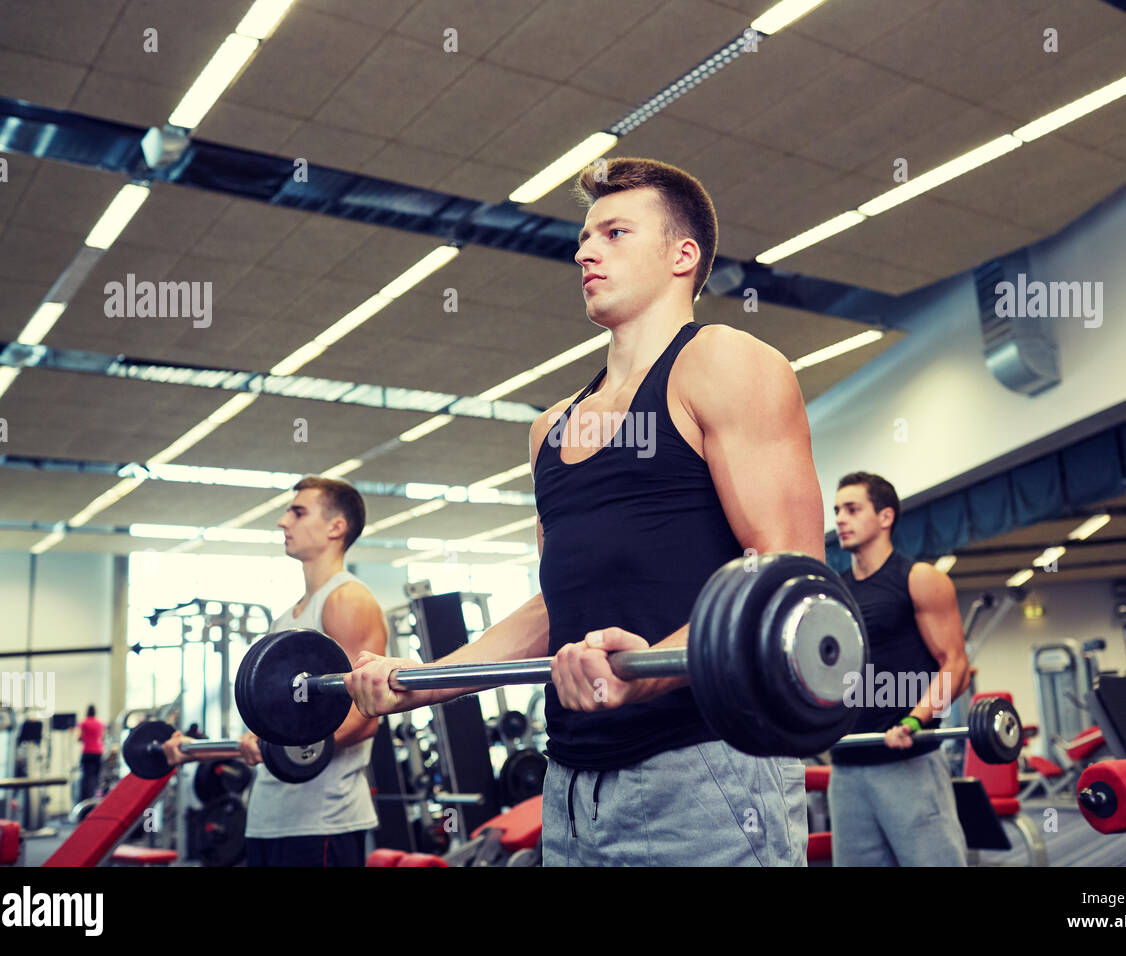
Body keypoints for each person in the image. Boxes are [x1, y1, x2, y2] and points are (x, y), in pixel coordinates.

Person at [345, 157, 823, 866]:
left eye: (614, 232)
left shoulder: (725, 363)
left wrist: (646, 670)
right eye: (584, 236)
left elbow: (789, 579)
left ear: (682, 256)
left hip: (705, 773)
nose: (584, 250)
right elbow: (554, 608)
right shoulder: (552, 428)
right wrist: (428, 681)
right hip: (571, 783)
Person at [162, 476, 385, 867]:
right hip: (269, 817)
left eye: (298, 512)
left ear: (337, 527)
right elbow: (274, 726)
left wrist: (277, 746)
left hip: (322, 822)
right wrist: (196, 751)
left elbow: (365, 713)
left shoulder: (347, 599)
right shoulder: (289, 616)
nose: (284, 521)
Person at [829, 472, 971, 866]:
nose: (840, 518)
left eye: (852, 509)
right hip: (847, 767)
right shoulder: (834, 590)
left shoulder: (919, 579)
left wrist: (915, 721)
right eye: (837, 510)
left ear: (886, 516)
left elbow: (955, 665)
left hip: (907, 762)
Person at [75, 705, 105, 801]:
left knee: (86, 778)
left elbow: (79, 738)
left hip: (87, 752)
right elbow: (102, 737)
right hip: (98, 752)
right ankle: (94, 800)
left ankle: (84, 800)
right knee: (96, 778)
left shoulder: (83, 723)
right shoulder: (100, 724)